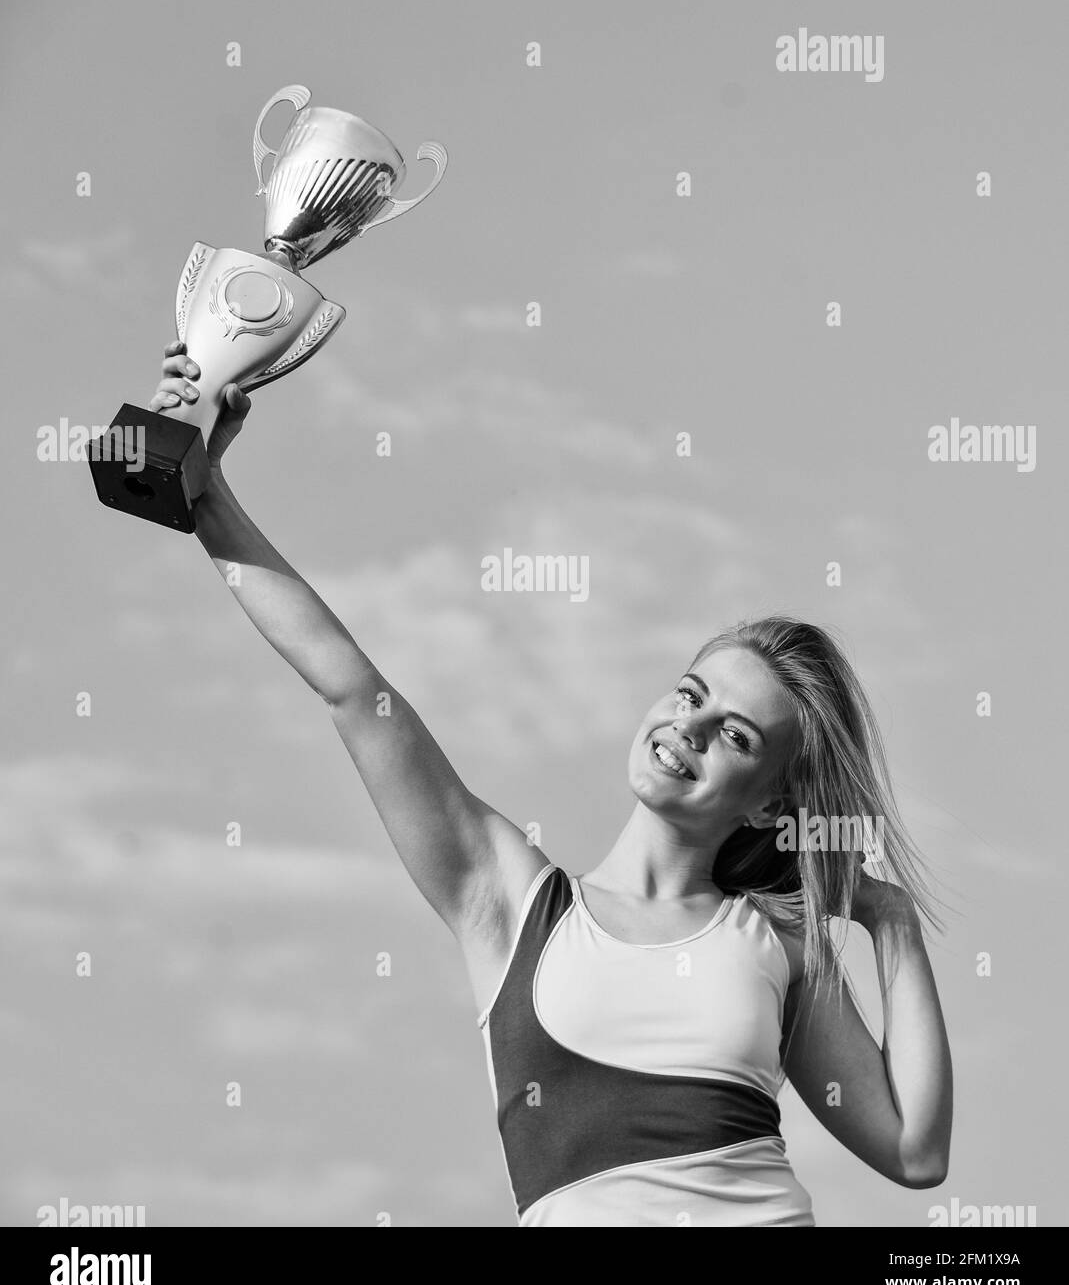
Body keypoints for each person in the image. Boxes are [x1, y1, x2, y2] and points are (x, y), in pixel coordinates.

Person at [149, 341, 953, 1228]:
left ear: (767, 800)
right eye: (690, 694)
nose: (685, 728)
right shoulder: (510, 901)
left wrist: (892, 922)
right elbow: (349, 686)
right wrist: (206, 492)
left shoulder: (778, 946)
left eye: (731, 734)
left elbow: (916, 1150)